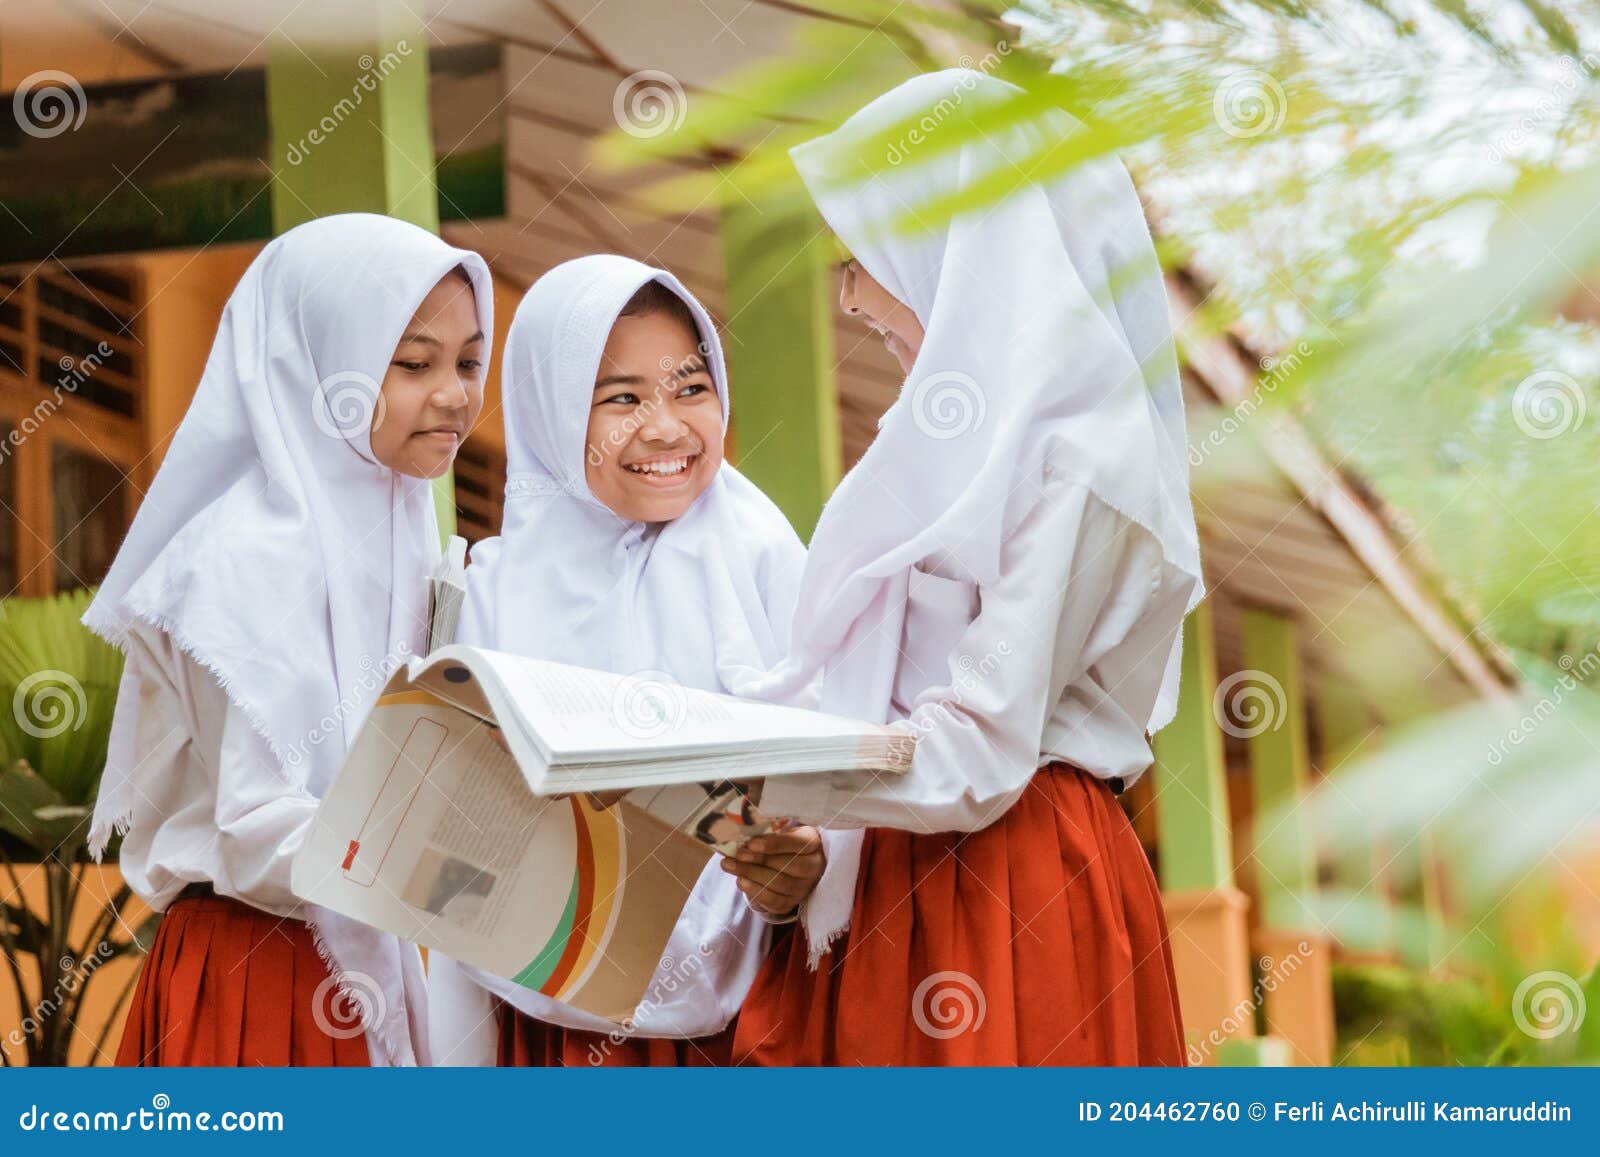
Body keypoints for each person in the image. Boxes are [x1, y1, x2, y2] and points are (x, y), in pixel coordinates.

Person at [729, 70, 1205, 1065]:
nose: (851, 293)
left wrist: (736, 769)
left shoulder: (1084, 457)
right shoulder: (950, 442)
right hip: (891, 877)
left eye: (864, 253)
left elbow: (980, 750)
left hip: (1006, 888)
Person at [85, 213, 494, 1066]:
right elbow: (255, 828)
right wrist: (463, 866)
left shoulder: (404, 529)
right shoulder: (242, 556)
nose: (455, 394)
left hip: (372, 947)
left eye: (467, 360)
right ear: (319, 365)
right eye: (413, 363)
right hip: (260, 980)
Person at [424, 255, 851, 1067]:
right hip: (551, 1023)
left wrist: (807, 857)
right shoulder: (496, 594)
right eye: (621, 397)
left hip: (757, 1021)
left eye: (691, 387)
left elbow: (843, 763)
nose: (664, 426)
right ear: (552, 414)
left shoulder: (765, 558)